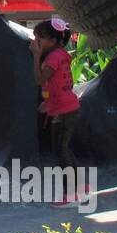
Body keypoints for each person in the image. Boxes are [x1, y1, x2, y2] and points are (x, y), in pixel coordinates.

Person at [29, 18, 84, 202]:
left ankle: (71, 194)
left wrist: (36, 56)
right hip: (68, 107)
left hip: (63, 111)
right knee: (64, 148)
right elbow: (59, 83)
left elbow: (39, 79)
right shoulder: (61, 55)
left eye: (40, 38)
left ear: (53, 41)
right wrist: (49, 102)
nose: (36, 41)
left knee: (61, 151)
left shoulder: (52, 58)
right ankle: (80, 186)